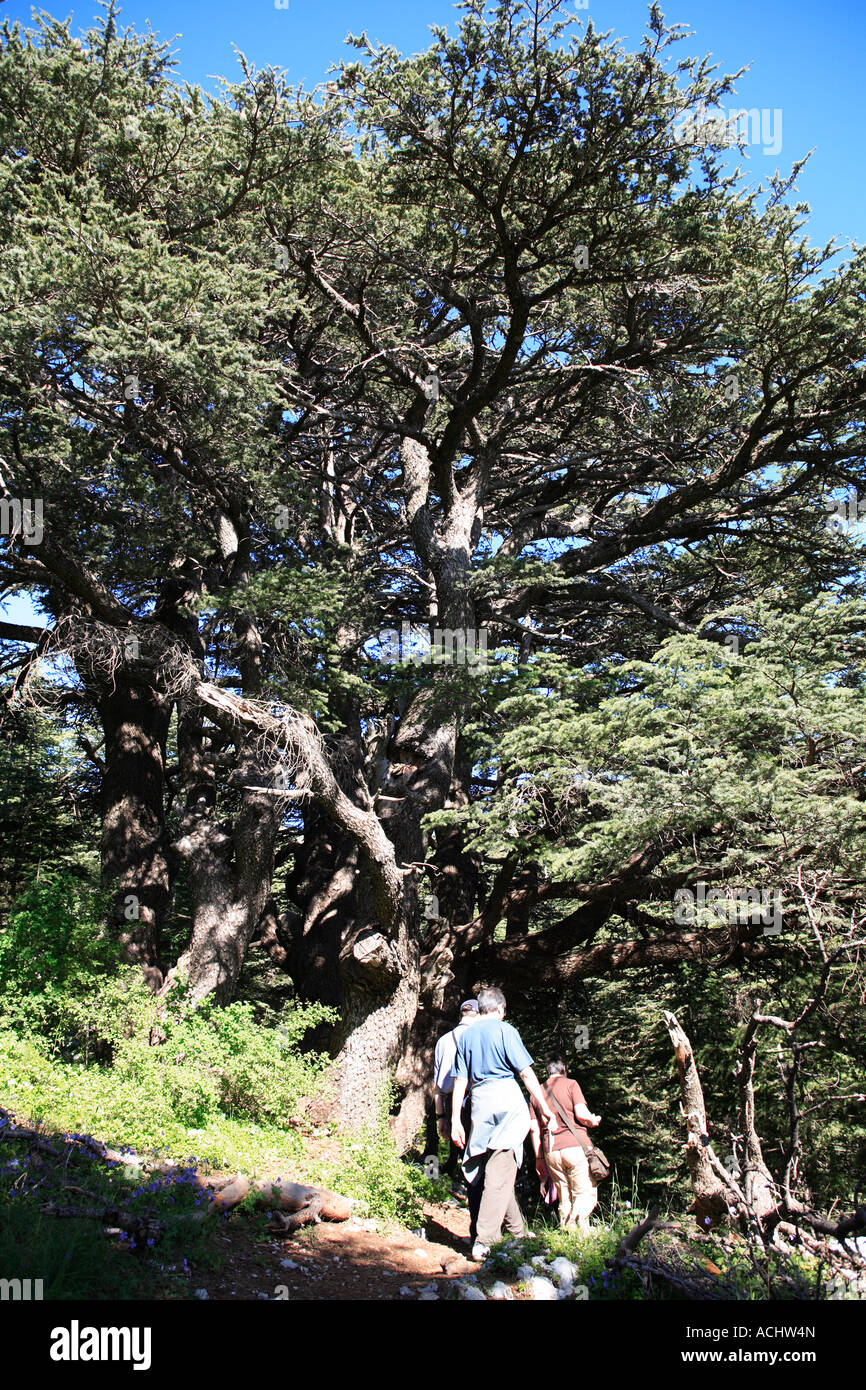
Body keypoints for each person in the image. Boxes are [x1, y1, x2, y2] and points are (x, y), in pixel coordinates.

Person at [451, 986, 559, 1260]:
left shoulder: (465, 1036)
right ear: (499, 1009)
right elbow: (525, 1073)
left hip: (479, 1102)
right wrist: (544, 1107)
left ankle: (518, 1232)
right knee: (502, 1165)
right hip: (507, 1100)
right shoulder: (506, 1030)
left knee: (494, 1169)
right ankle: (484, 1240)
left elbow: (460, 1081)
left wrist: (454, 1120)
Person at [529, 1059, 601, 1234]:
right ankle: (580, 1234)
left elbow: (534, 1129)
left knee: (564, 1196)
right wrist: (593, 1120)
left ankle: (568, 1235)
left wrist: (539, 1159)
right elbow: (582, 1115)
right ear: (564, 1070)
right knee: (584, 1193)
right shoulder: (571, 1084)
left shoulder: (535, 1092)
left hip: (551, 1151)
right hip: (574, 1147)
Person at [433, 999, 479, 1195]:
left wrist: (441, 1117)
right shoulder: (480, 1037)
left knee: (465, 1155)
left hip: (452, 1105)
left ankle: (473, 1199)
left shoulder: (443, 1041)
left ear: (461, 1015)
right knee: (482, 1156)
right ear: (478, 1015)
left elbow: (437, 1087)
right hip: (476, 1102)